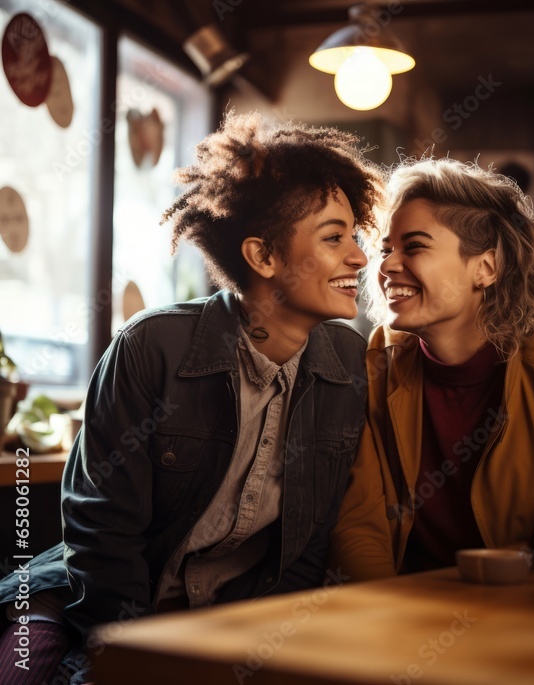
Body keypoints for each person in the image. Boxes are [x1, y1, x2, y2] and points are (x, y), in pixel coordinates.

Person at [0, 112, 382, 684]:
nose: (359, 257)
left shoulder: (348, 366)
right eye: (334, 237)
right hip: (86, 609)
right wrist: (141, 655)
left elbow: (304, 547)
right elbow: (102, 537)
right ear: (263, 257)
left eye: (354, 235)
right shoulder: (152, 348)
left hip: (229, 629)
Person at [329, 158, 534, 579]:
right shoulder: (376, 365)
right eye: (386, 249)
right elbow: (361, 528)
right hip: (404, 619)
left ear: (485, 268)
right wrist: (389, 624)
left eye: (414, 246)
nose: (387, 266)